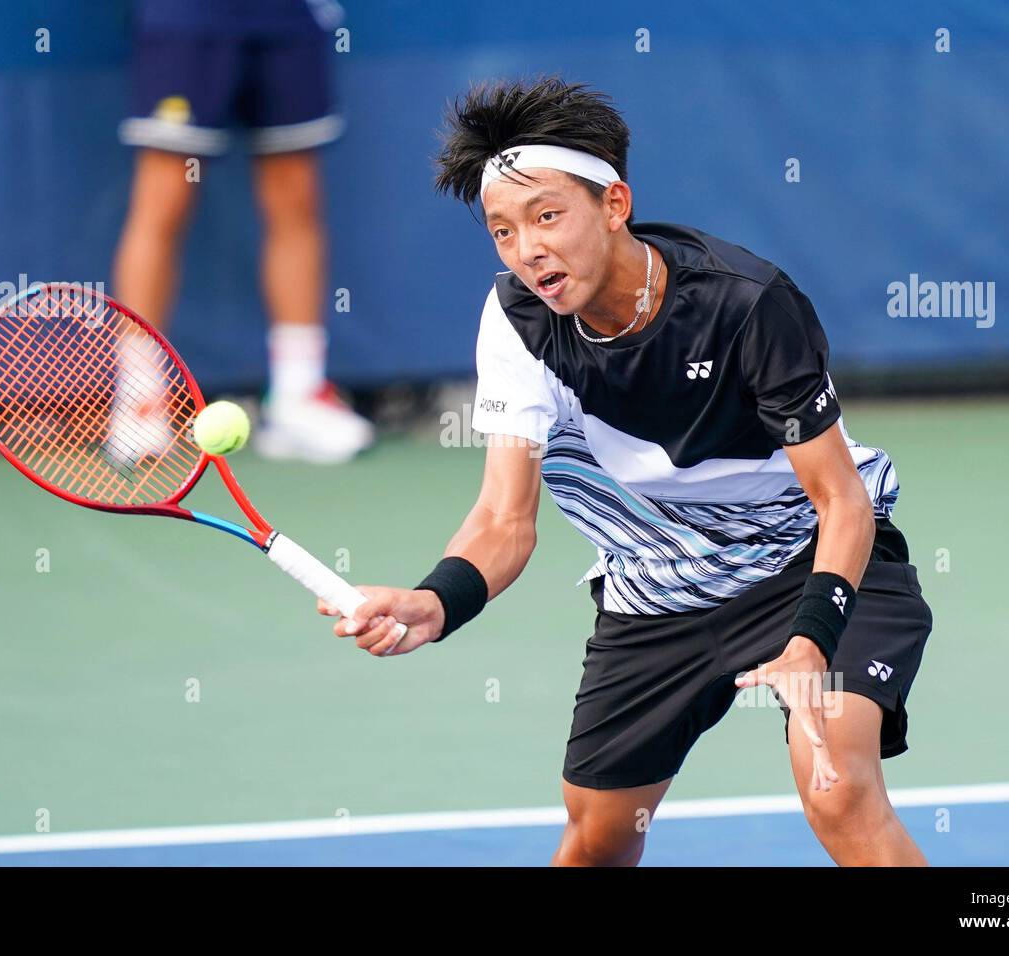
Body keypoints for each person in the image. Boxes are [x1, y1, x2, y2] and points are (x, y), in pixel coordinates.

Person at [316, 77, 934, 867]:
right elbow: (506, 520)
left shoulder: (745, 304)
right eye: (502, 232)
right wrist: (437, 600)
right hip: (657, 590)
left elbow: (841, 499)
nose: (527, 249)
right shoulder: (518, 323)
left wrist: (811, 640)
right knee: (597, 841)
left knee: (836, 782)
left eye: (547, 216)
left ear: (613, 204)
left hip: (804, 561)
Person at [109, 0, 373, 465]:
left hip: (287, 18)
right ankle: (140, 400)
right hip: (187, 18)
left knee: (296, 199)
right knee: (163, 200)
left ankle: (298, 394)